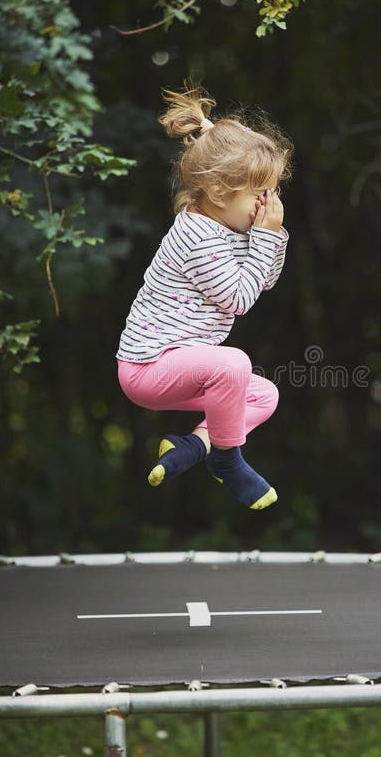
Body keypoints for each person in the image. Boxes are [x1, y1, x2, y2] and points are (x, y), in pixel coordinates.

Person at [116, 78, 293, 510]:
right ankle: (228, 462)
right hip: (148, 366)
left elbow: (263, 279)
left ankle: (196, 448)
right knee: (234, 363)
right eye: (260, 194)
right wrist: (265, 239)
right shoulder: (198, 236)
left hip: (183, 364)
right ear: (217, 191)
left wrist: (273, 235)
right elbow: (240, 298)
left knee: (263, 394)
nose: (267, 204)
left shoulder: (229, 227)